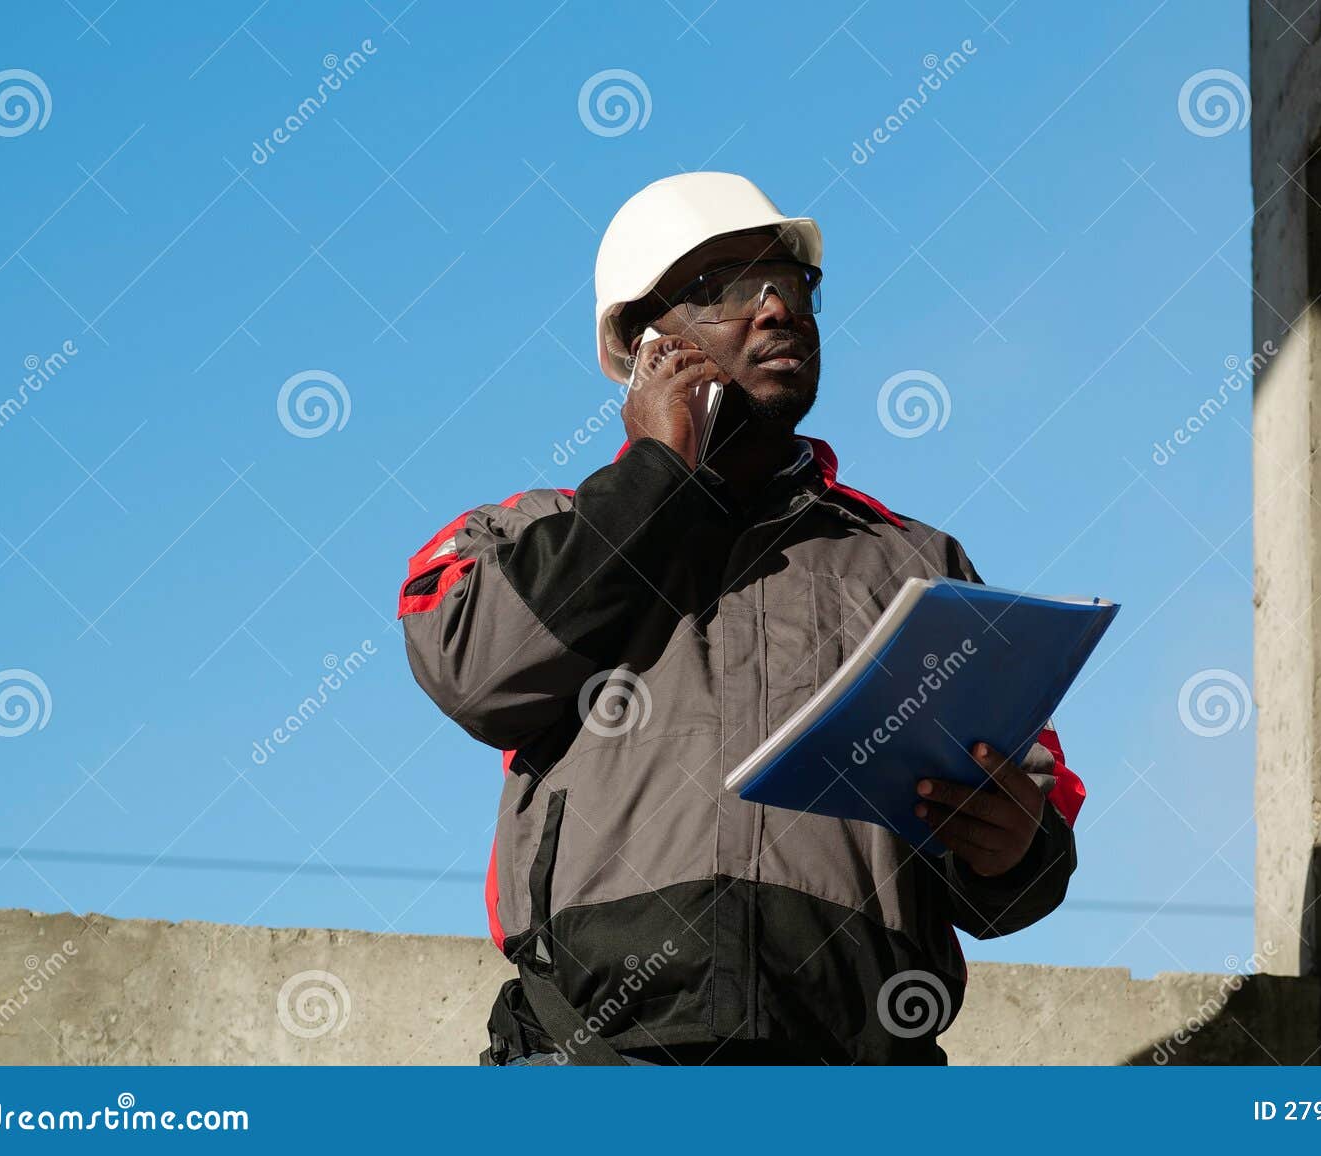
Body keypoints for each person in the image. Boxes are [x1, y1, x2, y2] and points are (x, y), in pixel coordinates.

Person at [398, 172, 1083, 1065]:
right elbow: (472, 669)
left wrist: (1017, 850)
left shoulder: (917, 566)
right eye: (725, 288)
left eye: (791, 286)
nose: (776, 311)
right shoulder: (524, 534)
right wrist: (651, 478)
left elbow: (1022, 833)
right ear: (649, 347)